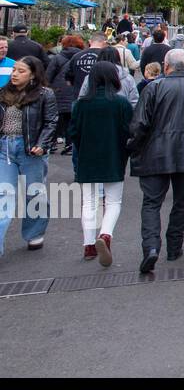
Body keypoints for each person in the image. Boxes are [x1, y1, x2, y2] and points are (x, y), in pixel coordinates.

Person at [128, 49, 184, 273]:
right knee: (181, 201)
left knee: (151, 203)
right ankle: (174, 246)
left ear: (166, 65)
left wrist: (133, 146)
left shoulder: (153, 87)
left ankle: (151, 247)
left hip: (154, 152)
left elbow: (140, 124)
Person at [69, 62, 132, 266]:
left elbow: (73, 133)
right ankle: (105, 235)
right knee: (113, 202)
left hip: (87, 156)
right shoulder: (121, 103)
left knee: (89, 202)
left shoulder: (80, 104)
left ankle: (88, 245)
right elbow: (128, 131)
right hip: (114, 155)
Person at [0, 56, 57, 254]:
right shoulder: (4, 93)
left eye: (21, 71)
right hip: (5, 148)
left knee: (34, 192)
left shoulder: (44, 94)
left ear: (33, 74)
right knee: (3, 194)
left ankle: (34, 234)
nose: (15, 73)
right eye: (14, 69)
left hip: (30, 150)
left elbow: (51, 122)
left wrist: (42, 144)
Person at [45, 35, 87, 154]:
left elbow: (48, 76)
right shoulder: (82, 57)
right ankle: (69, 144)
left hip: (58, 91)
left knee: (54, 118)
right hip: (75, 90)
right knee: (71, 119)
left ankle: (51, 143)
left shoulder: (57, 58)